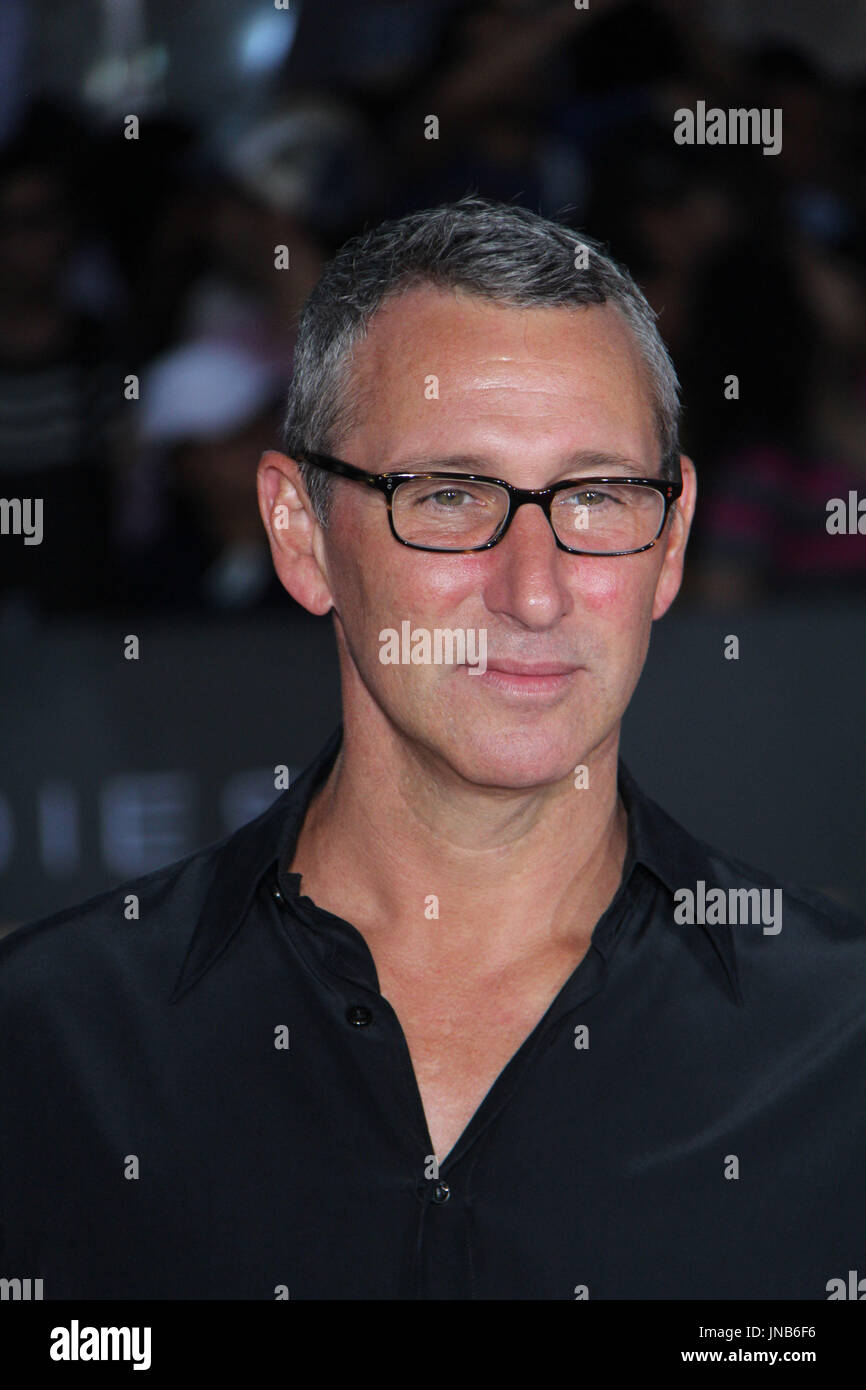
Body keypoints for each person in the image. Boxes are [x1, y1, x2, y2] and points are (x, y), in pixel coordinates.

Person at [1, 196, 863, 1300]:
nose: (534, 589)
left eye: (594, 496)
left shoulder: (836, 1042)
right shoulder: (56, 1040)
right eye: (449, 497)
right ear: (300, 534)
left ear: (672, 540)